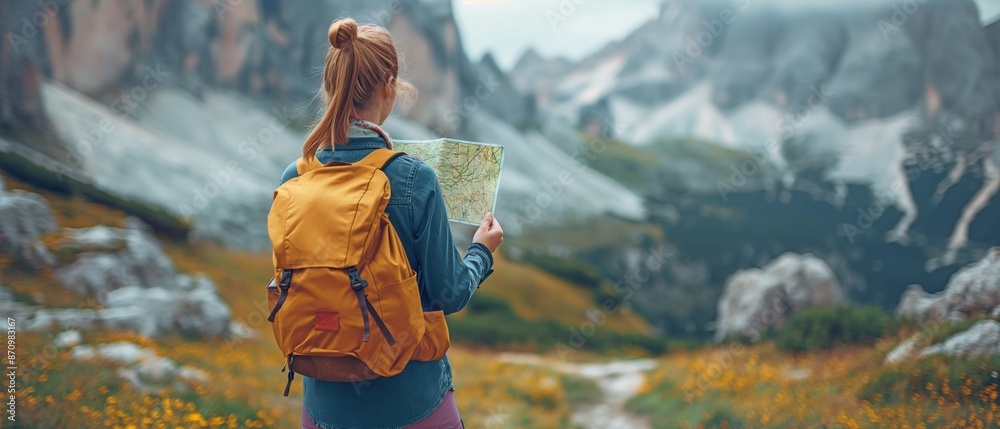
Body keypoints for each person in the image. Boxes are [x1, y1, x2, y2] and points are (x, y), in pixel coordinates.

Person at [278, 18, 503, 429]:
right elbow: (450, 293)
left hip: (322, 404)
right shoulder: (414, 178)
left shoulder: (295, 177)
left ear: (331, 84)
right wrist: (481, 252)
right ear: (388, 85)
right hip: (409, 401)